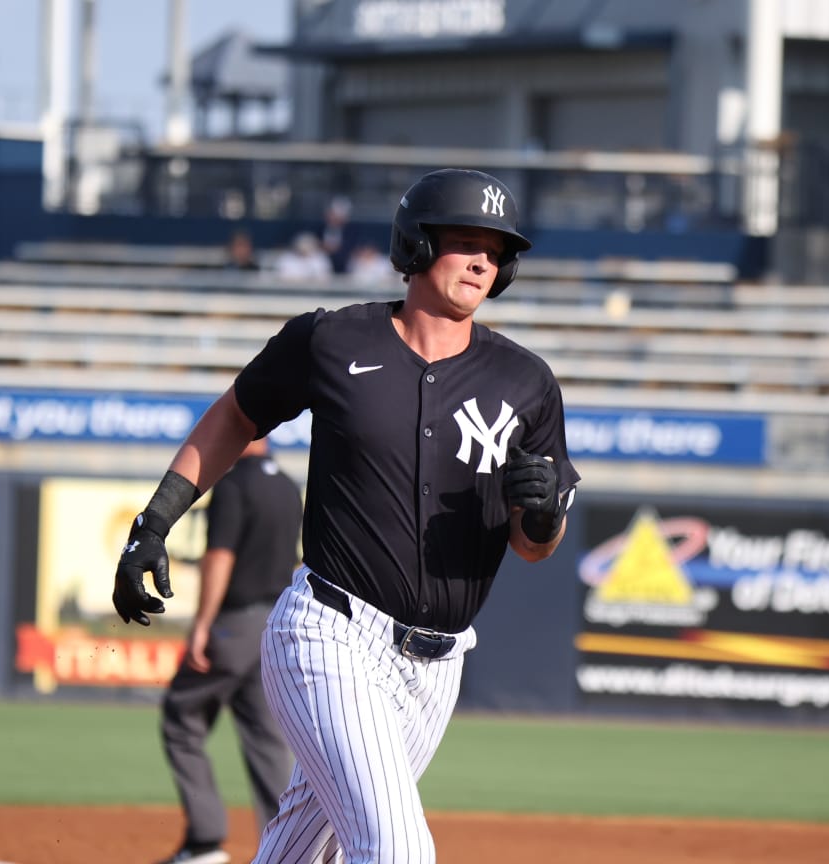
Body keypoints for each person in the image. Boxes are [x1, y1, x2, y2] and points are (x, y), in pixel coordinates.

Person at [113, 168, 580, 863]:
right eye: (464, 241)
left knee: (306, 850)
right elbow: (234, 418)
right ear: (417, 247)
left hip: (437, 665)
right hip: (331, 632)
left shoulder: (527, 383)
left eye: (497, 248)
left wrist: (542, 521)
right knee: (396, 849)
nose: (485, 259)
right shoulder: (333, 341)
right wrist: (155, 521)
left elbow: (534, 546)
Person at [156, 436, 302, 864]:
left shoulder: (235, 485)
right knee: (267, 738)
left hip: (235, 623)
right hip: (276, 623)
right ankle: (290, 851)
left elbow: (219, 557)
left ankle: (204, 843)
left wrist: (202, 624)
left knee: (182, 716)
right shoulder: (288, 486)